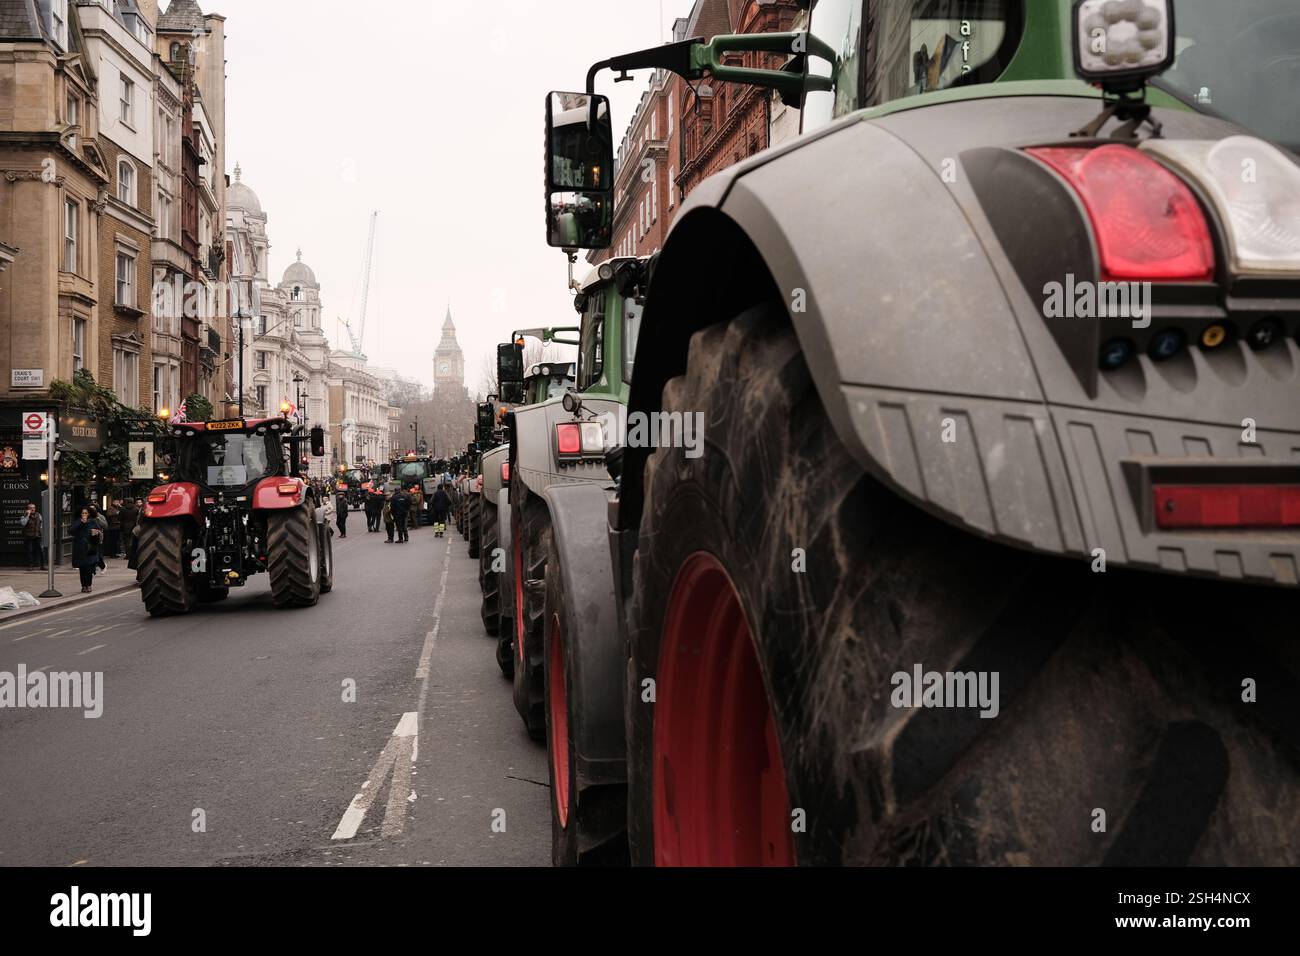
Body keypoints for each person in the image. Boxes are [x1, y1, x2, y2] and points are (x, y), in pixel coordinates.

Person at [71, 507, 102, 593]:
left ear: (89, 514)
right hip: (80, 548)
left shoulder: (93, 521)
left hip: (90, 547)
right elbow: (71, 531)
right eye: (83, 513)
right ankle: (83, 586)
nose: (84, 515)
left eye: (86, 513)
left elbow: (99, 531)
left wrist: (96, 533)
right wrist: (81, 523)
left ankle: (89, 585)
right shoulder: (77, 521)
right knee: (82, 568)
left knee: (89, 567)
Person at [19, 503, 44, 570]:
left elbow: (41, 523)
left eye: (34, 508)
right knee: (30, 550)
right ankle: (31, 565)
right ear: (28, 509)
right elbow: (23, 524)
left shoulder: (38, 515)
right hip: (29, 536)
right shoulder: (24, 516)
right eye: (31, 508)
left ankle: (42, 566)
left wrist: (40, 531)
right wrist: (28, 515)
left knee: (40, 550)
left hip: (37, 535)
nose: (32, 509)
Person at [87, 505, 108, 570]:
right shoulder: (87, 517)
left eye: (93, 509)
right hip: (88, 537)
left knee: (98, 552)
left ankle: (101, 565)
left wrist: (99, 520)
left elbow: (105, 526)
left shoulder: (100, 516)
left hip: (97, 537)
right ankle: (94, 565)